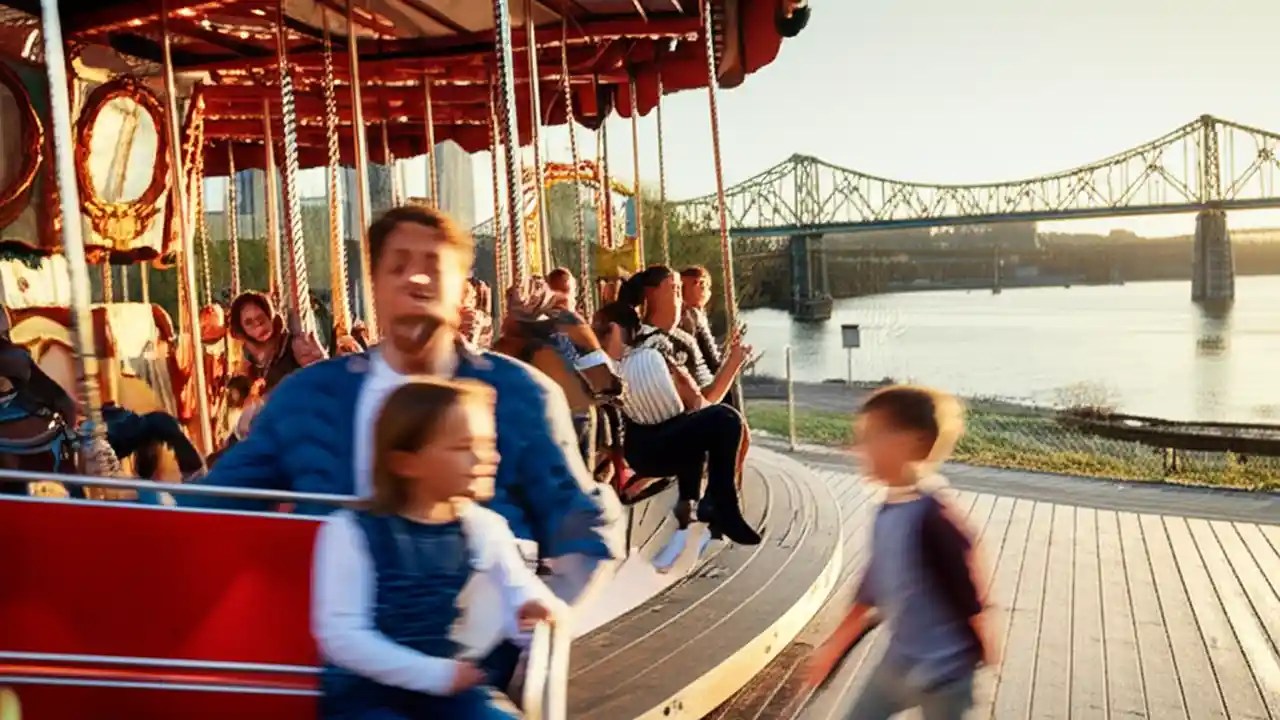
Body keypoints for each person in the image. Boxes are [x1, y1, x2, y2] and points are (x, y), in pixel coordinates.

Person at [186, 204, 621, 619]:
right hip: (337, 652)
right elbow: (212, 503)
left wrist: (545, 626)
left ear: (461, 289)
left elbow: (581, 522)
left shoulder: (520, 395)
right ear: (375, 283)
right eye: (397, 266)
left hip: (475, 659)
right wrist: (143, 502)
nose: (415, 278)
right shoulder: (309, 398)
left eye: (433, 266)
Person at [314, 378, 561, 720]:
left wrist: (533, 606)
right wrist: (435, 675)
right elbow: (342, 636)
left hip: (446, 693)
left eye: (488, 444)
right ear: (406, 463)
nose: (487, 457)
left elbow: (516, 586)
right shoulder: (351, 531)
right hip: (367, 696)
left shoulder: (481, 527)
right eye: (463, 447)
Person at [805, 386, 993, 720]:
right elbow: (872, 586)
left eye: (871, 436)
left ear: (911, 443)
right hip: (900, 663)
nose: (859, 447)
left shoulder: (935, 518)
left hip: (947, 675)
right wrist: (834, 646)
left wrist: (985, 645)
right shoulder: (887, 510)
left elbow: (971, 593)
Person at [594, 300, 759, 546]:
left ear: (614, 330)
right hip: (647, 446)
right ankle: (718, 505)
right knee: (725, 420)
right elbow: (697, 404)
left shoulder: (649, 356)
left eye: (598, 330)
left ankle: (707, 504)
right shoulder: (608, 365)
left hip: (654, 444)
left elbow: (696, 404)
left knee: (721, 424)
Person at [227, 291, 327, 395]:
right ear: (242, 330)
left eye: (261, 317)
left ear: (269, 315)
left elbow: (326, 380)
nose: (258, 325)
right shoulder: (252, 362)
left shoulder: (296, 345)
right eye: (249, 322)